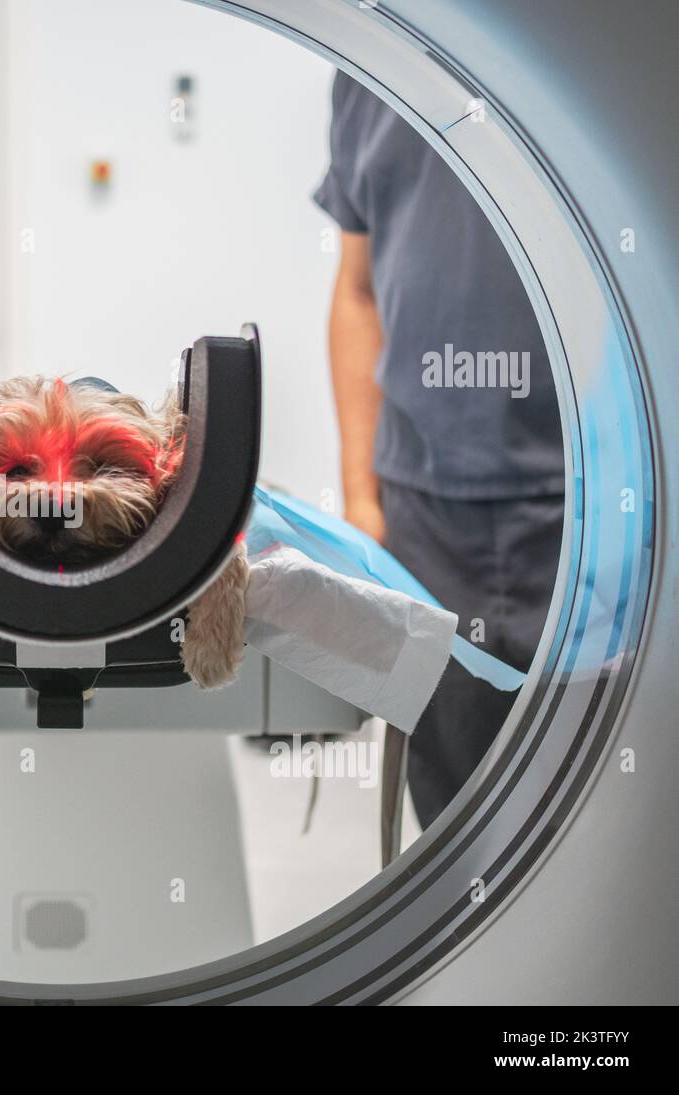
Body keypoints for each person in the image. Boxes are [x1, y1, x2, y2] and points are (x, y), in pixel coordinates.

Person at [314, 72, 565, 829]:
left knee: (608, 805)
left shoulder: (597, 59)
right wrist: (360, 498)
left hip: (592, 510)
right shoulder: (372, 69)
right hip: (422, 516)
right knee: (458, 821)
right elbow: (357, 292)